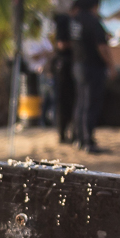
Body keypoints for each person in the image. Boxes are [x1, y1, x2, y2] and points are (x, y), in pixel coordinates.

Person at [72, 0, 111, 155]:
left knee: (81, 103)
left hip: (78, 65)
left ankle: (79, 138)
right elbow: (102, 47)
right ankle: (88, 141)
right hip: (91, 67)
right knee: (90, 105)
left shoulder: (75, 20)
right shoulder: (92, 21)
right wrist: (111, 65)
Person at [49, 8, 75, 143]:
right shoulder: (64, 23)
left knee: (64, 104)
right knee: (64, 104)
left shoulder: (64, 23)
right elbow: (62, 45)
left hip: (62, 67)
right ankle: (63, 133)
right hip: (64, 69)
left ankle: (64, 133)